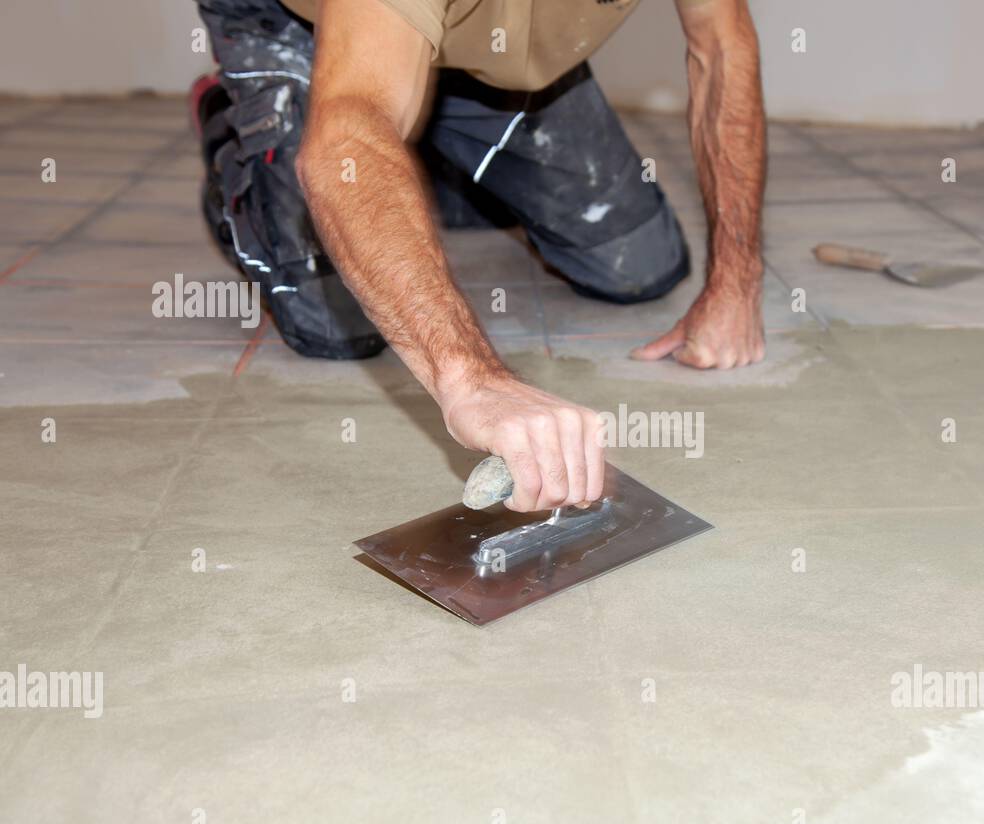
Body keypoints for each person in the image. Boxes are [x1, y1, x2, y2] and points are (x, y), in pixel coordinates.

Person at [193, 0, 766, 511]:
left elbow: (722, 49)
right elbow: (347, 133)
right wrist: (471, 378)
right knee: (335, 322)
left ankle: (427, 151)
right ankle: (241, 136)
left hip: (486, 49)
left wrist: (736, 283)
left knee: (639, 266)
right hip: (311, 28)